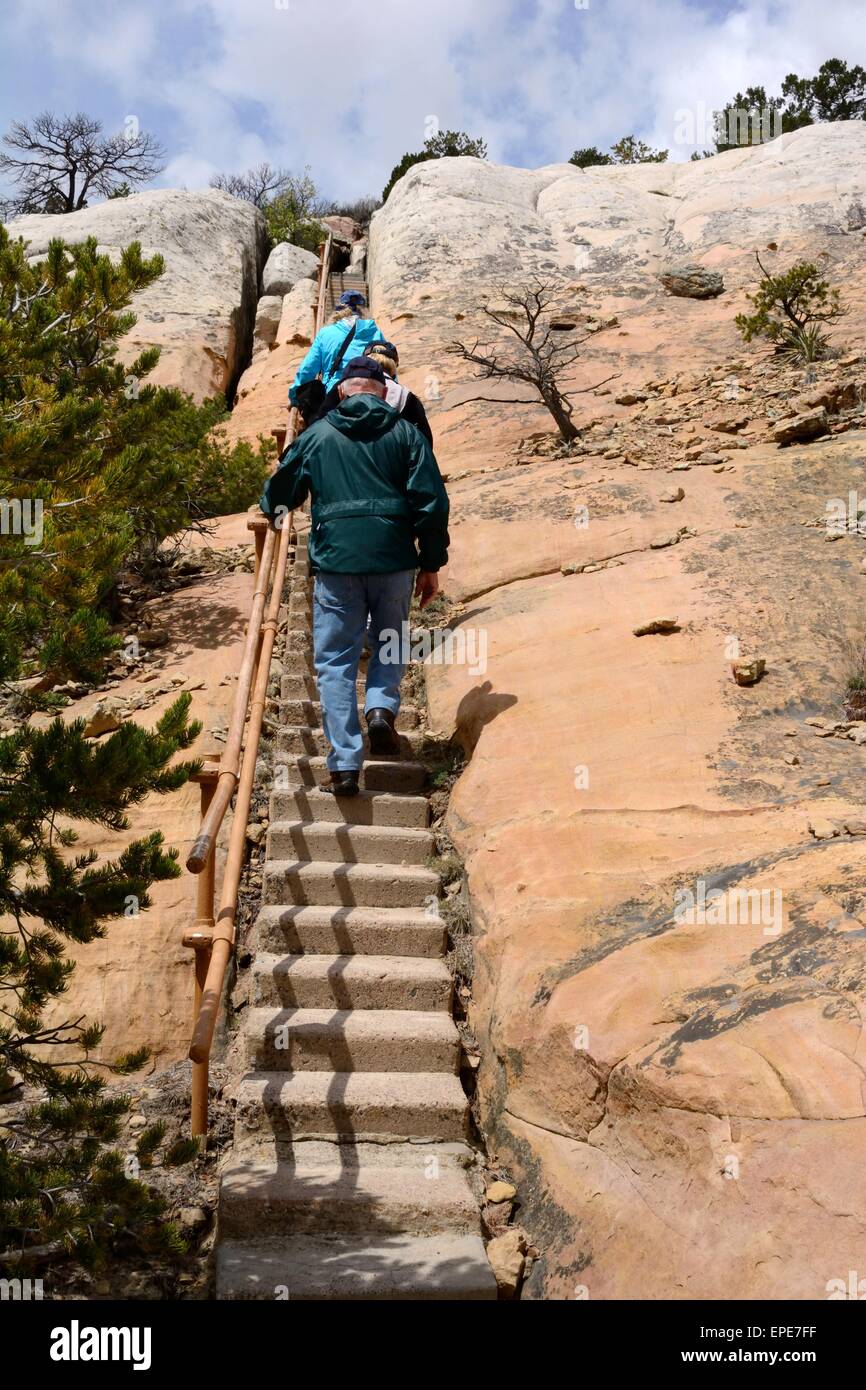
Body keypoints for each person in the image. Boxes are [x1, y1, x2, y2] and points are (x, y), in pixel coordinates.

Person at [260, 357, 450, 797]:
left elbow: (280, 493)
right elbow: (432, 503)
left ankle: (345, 764)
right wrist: (431, 563)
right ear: (383, 392)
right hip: (395, 560)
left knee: (335, 662)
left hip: (337, 565)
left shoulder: (317, 435)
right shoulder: (407, 435)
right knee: (391, 640)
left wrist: (277, 510)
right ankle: (381, 709)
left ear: (343, 392)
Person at [313, 339, 434, 446]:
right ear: (394, 365)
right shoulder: (406, 397)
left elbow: (320, 423)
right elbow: (424, 442)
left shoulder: (344, 386)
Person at [288, 291, 383, 420]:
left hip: (335, 399)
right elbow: (388, 366)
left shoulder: (326, 333)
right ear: (364, 310)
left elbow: (307, 370)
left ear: (339, 310)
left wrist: (294, 397)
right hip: (372, 401)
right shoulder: (376, 333)